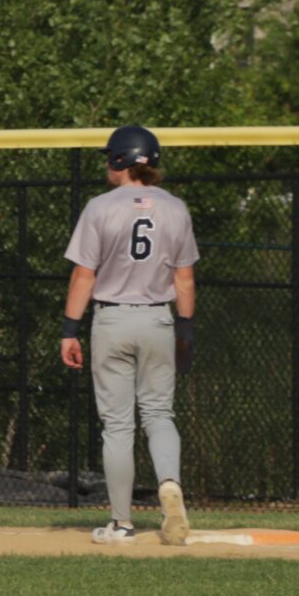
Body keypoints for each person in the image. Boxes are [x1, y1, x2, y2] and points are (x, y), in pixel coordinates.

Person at [60, 124, 198, 545]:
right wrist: (185, 331)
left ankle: (121, 523)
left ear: (121, 160)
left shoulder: (100, 206)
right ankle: (169, 484)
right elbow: (185, 279)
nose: (107, 163)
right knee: (159, 415)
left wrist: (69, 330)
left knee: (118, 426)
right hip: (157, 318)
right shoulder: (175, 208)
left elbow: (85, 275)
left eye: (110, 156)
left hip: (113, 319)